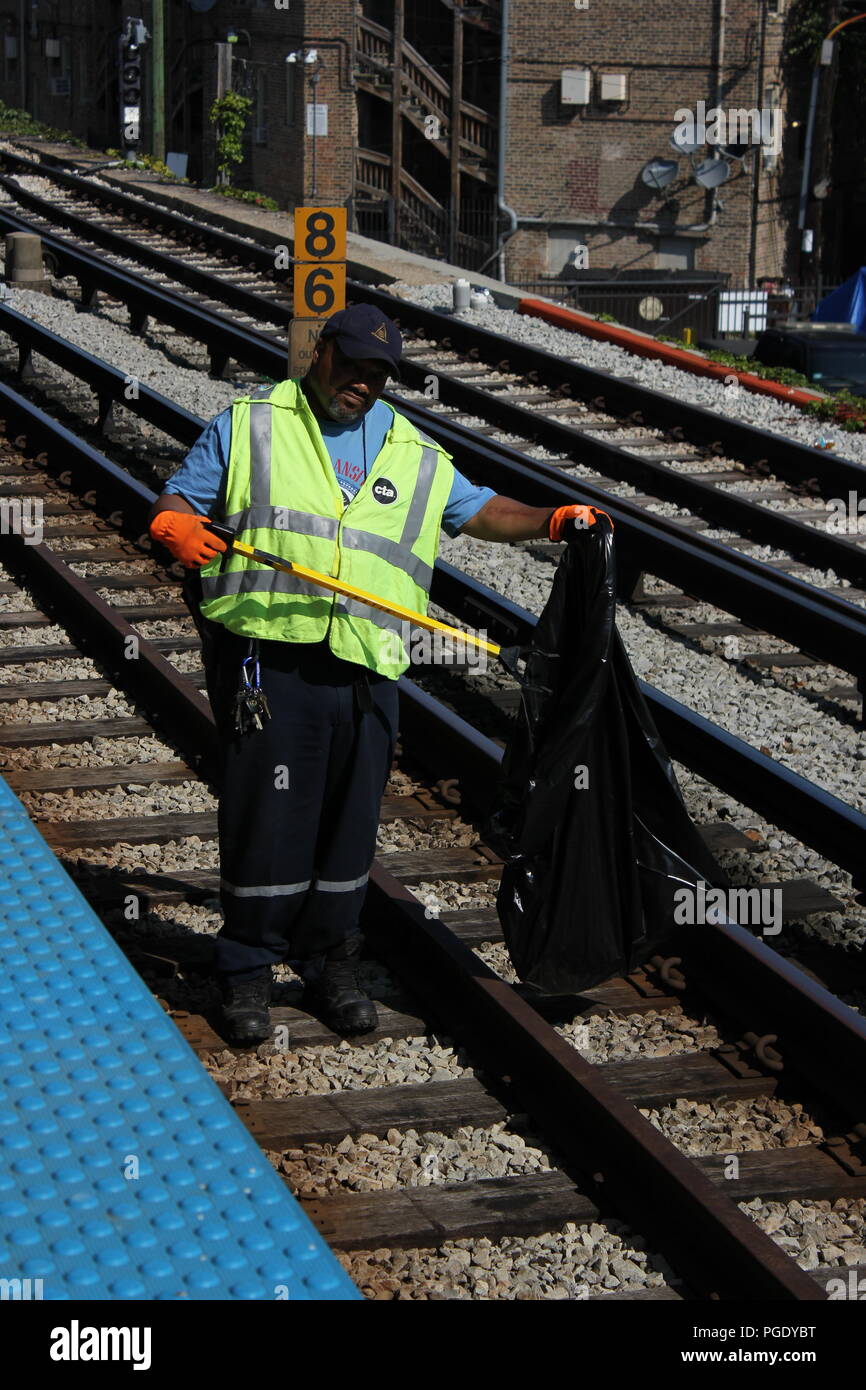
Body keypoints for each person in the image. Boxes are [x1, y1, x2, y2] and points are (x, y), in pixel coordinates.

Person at [149, 304, 607, 1044]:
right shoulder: (253, 423)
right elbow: (181, 498)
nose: (362, 382)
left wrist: (552, 520)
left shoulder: (413, 452)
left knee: (350, 827)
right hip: (272, 658)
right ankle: (245, 975)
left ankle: (331, 961)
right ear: (320, 351)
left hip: (368, 664)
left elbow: (483, 511)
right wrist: (172, 521)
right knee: (270, 821)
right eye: (352, 363)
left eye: (378, 374)